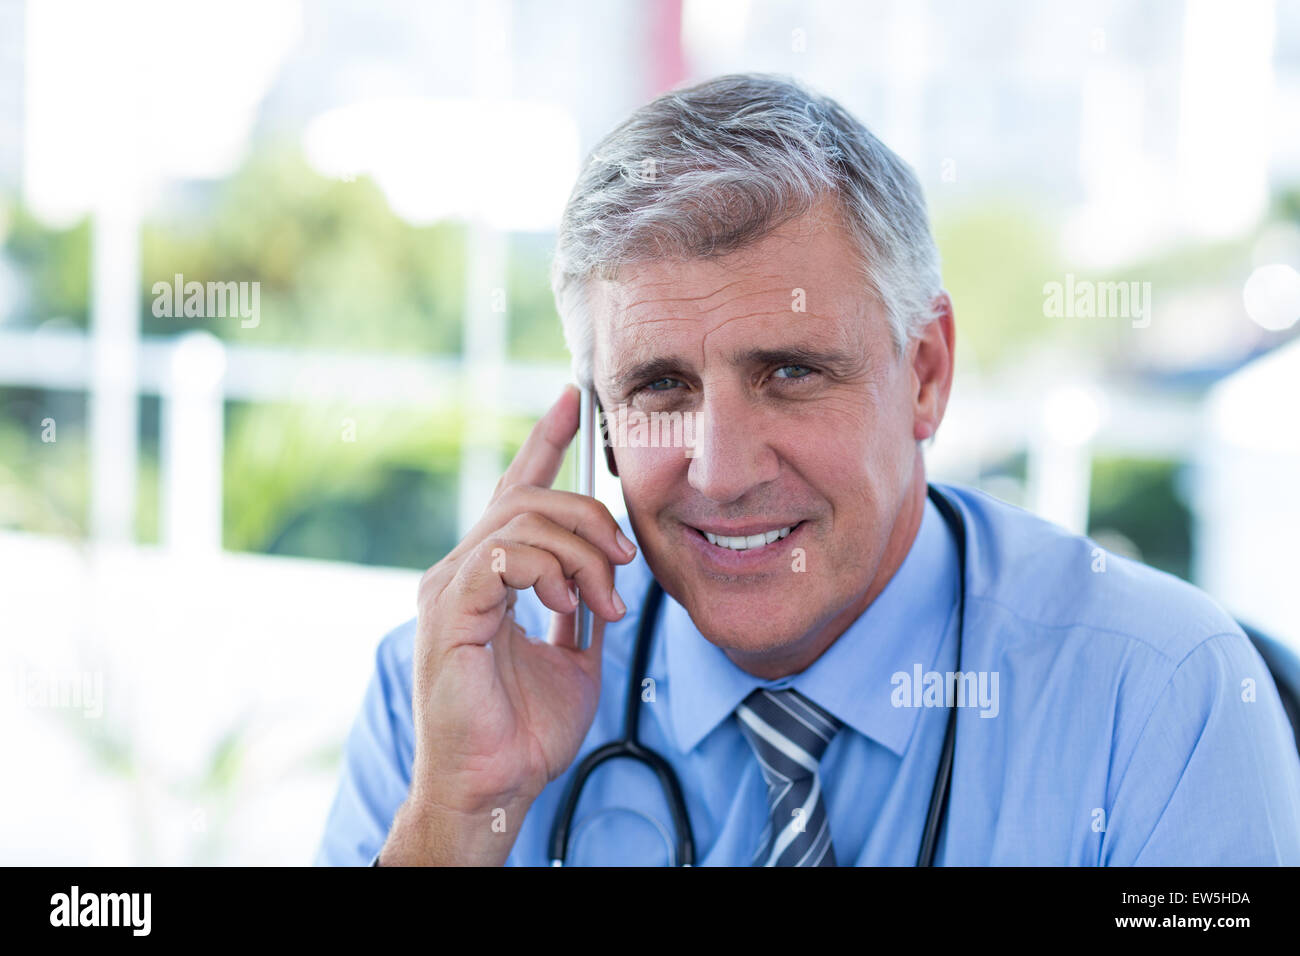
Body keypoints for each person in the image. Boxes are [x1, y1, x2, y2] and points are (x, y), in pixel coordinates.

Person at [313, 73, 1300, 866]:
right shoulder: (447, 690)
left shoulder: (1162, 695)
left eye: (789, 372)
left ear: (925, 371)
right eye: (659, 385)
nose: (722, 469)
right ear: (599, 421)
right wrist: (456, 816)